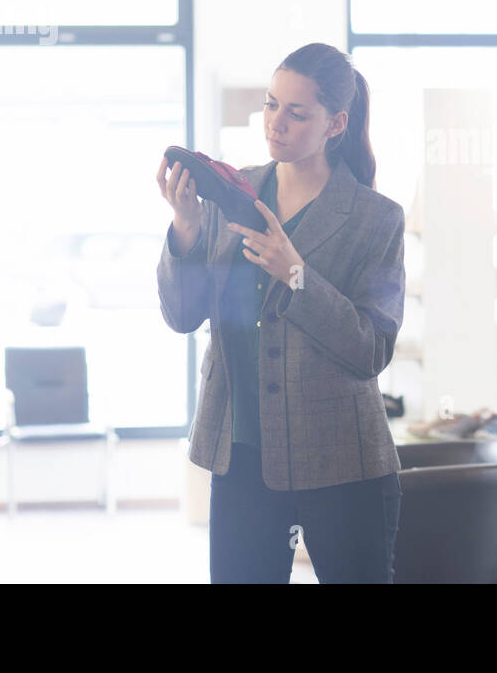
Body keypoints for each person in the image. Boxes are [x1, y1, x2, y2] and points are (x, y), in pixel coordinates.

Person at [155, 42, 406, 583]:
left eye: (297, 113)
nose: (277, 123)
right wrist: (186, 227)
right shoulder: (231, 195)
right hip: (242, 455)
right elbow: (181, 316)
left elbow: (371, 350)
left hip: (342, 461)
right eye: (271, 105)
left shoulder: (375, 218)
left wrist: (296, 274)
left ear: (335, 123)